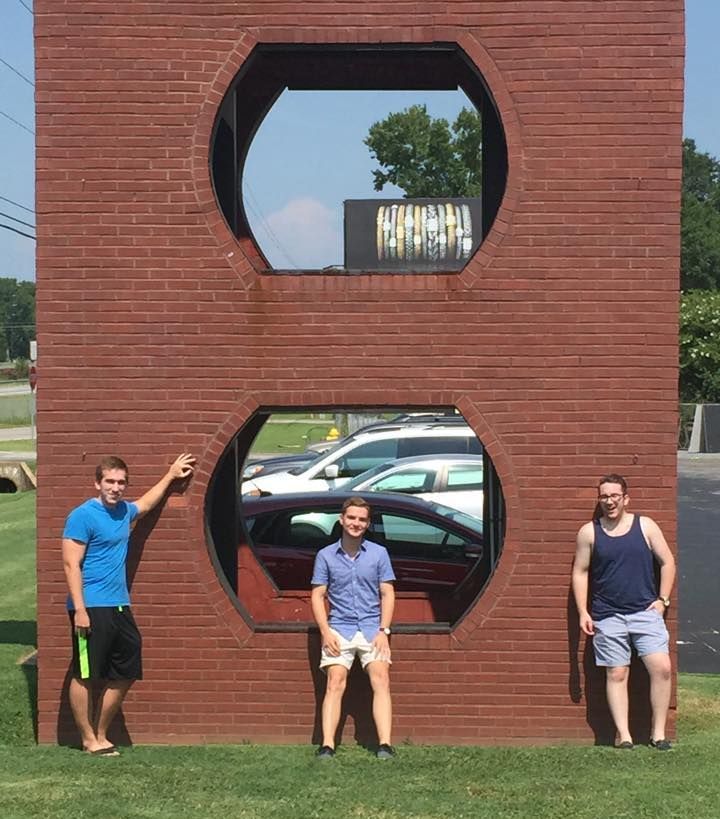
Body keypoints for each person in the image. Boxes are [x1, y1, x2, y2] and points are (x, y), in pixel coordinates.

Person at [62, 453, 196, 755]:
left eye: (121, 482)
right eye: (109, 481)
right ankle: (87, 739)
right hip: (91, 606)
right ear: (97, 483)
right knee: (85, 672)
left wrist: (172, 474)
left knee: (127, 668)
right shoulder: (82, 516)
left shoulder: (123, 511)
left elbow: (146, 504)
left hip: (119, 605)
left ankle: (101, 733)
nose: (115, 487)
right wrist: (80, 610)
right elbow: (71, 565)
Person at [572, 473, 676, 750]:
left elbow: (667, 562)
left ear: (625, 498)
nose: (609, 501)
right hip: (607, 615)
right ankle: (624, 736)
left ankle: (658, 734)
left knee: (662, 668)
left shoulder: (646, 526)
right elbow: (580, 572)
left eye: (614, 496)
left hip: (645, 612)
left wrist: (662, 600)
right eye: (604, 496)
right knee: (616, 673)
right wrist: (584, 611)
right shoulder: (589, 532)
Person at [310, 496, 396, 759]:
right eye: (351, 518)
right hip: (339, 627)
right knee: (335, 682)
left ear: (367, 524)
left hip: (373, 629)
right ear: (341, 520)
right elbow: (317, 595)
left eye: (361, 519)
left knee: (380, 679)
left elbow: (388, 593)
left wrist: (384, 630)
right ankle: (327, 745)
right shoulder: (325, 555)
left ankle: (384, 745)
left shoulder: (379, 554)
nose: (356, 523)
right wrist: (325, 632)